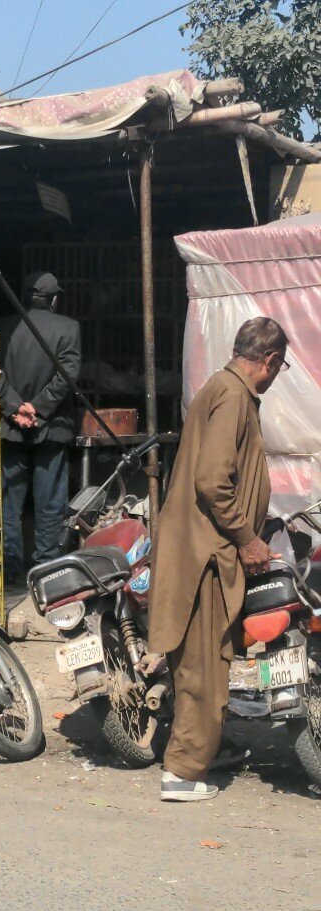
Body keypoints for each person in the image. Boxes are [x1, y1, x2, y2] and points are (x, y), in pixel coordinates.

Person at [149, 316, 289, 802]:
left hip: (205, 548)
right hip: (206, 554)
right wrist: (247, 538)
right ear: (268, 361)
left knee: (202, 663)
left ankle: (201, 752)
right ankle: (182, 773)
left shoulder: (221, 389)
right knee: (203, 667)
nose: (276, 377)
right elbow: (213, 480)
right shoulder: (232, 395)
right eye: (280, 367)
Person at [0, 272, 81, 584]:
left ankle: (10, 570)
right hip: (52, 427)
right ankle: (46, 571)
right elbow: (68, 374)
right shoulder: (68, 328)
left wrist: (15, 407)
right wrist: (39, 407)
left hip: (12, 427)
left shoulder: (3, 327)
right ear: (54, 299)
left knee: (10, 505)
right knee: (49, 504)